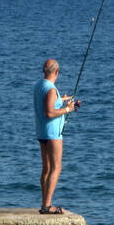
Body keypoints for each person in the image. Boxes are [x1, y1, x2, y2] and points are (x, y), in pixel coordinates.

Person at [34, 58, 80, 214]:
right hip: (53, 133)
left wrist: (63, 100)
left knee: (46, 168)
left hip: (42, 132)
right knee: (56, 167)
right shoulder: (51, 89)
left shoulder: (39, 85)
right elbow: (49, 112)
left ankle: (44, 204)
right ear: (57, 72)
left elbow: (47, 103)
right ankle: (47, 206)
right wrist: (67, 109)